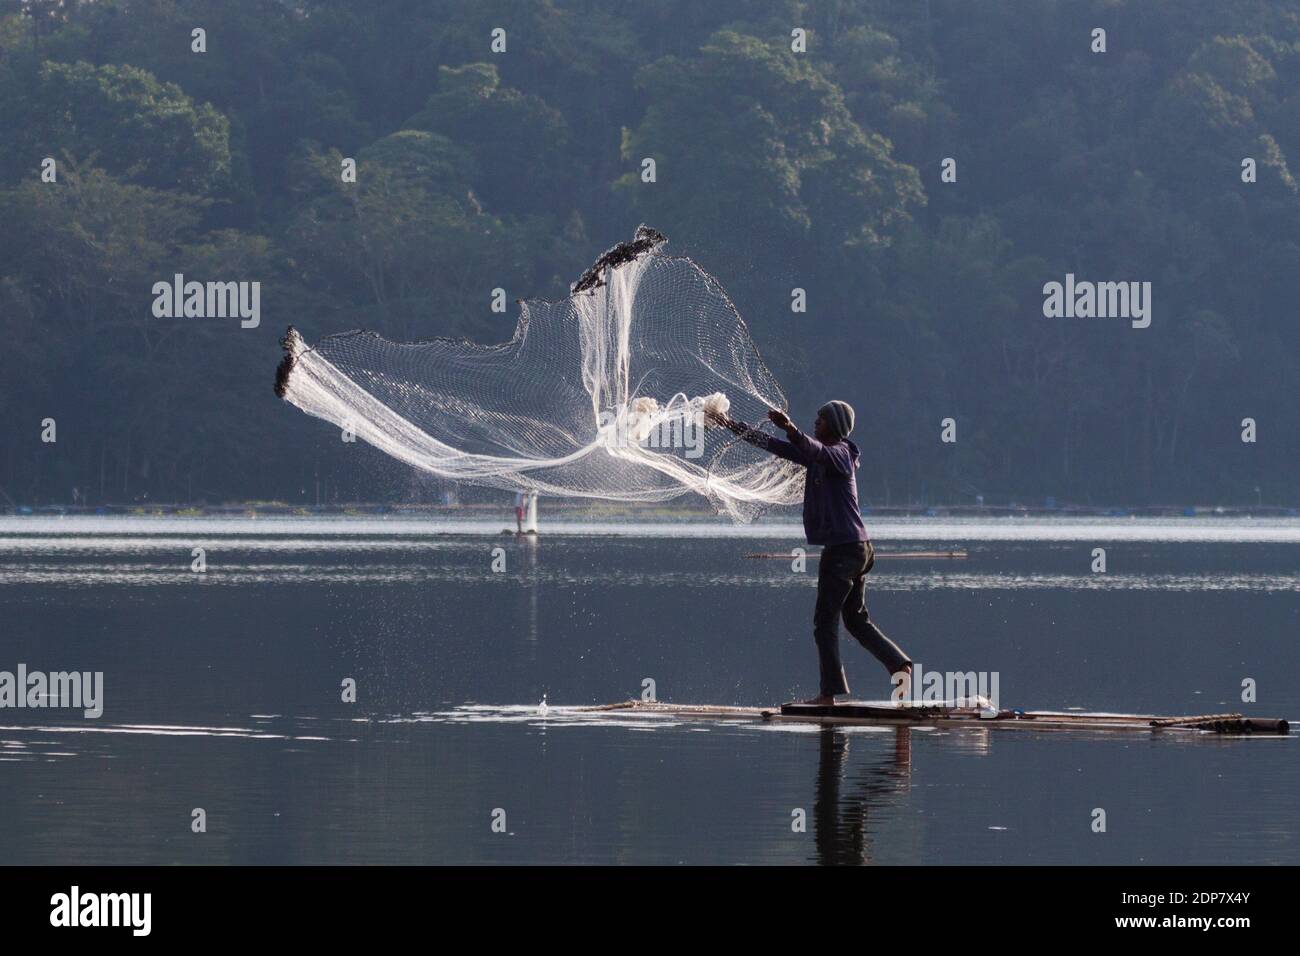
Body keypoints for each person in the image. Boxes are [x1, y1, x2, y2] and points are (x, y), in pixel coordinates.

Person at [708, 401, 912, 705]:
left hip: (845, 551)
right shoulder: (818, 455)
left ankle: (828, 695)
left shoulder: (841, 454)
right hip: (855, 548)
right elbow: (770, 443)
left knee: (825, 621)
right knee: (855, 620)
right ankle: (899, 665)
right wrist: (728, 423)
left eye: (822, 419)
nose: (816, 422)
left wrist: (790, 427)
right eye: (816, 418)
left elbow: (816, 450)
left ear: (836, 426)